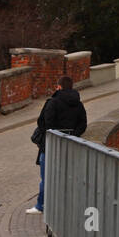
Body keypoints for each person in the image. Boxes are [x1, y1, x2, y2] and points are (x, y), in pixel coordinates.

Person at [26, 75, 88, 215]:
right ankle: (67, 204)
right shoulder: (78, 104)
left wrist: (54, 135)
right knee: (68, 176)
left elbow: (44, 123)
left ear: (59, 87)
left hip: (50, 146)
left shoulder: (52, 102)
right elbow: (83, 124)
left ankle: (41, 205)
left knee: (46, 177)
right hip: (70, 146)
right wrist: (72, 135)